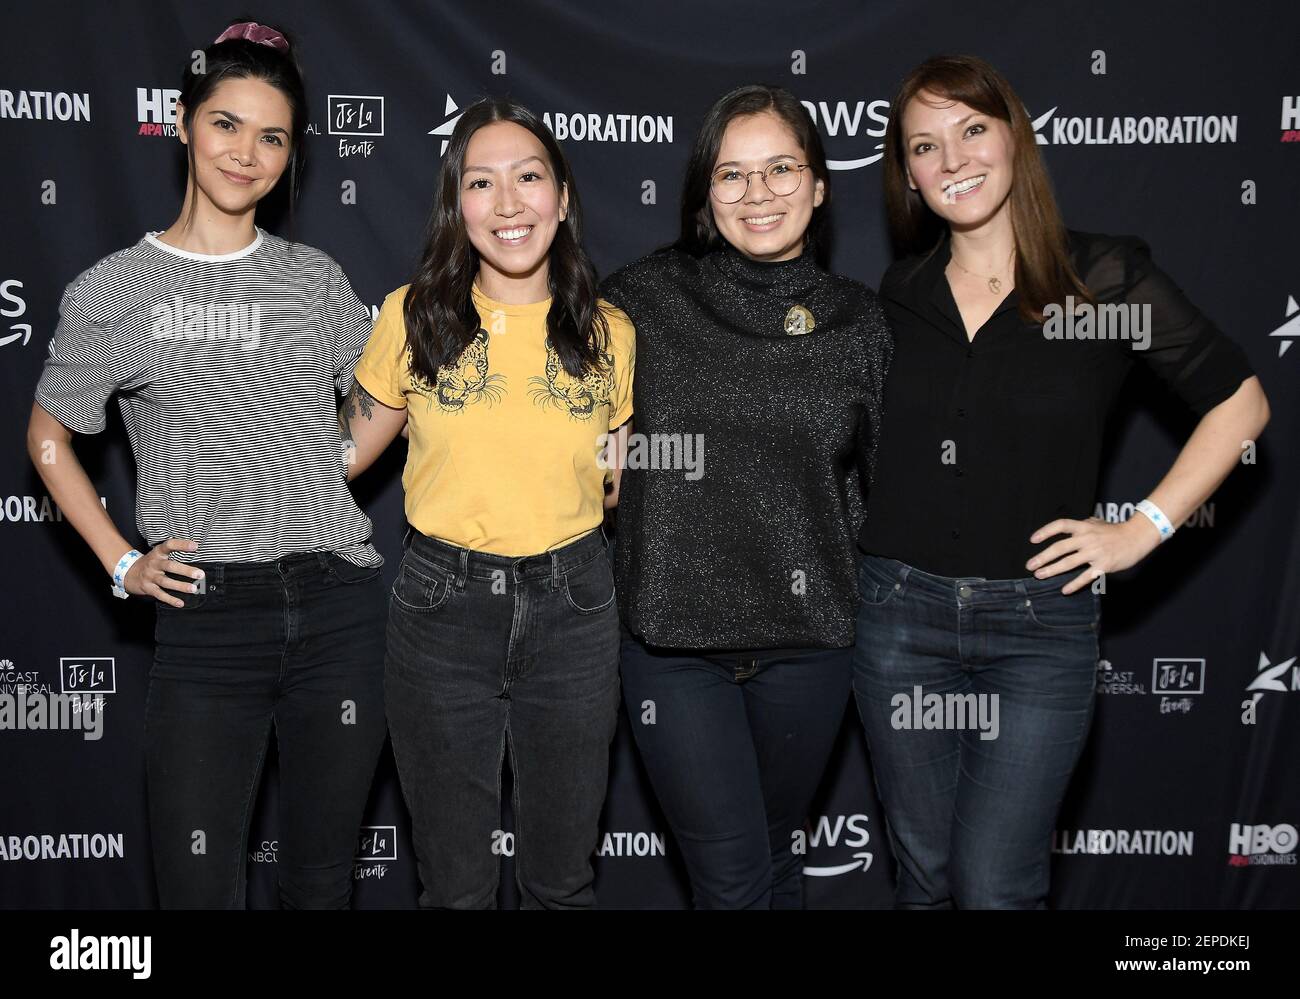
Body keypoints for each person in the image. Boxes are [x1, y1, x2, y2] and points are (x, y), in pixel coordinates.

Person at [855, 54, 1270, 909]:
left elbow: (1241, 403)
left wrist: (1142, 528)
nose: (954, 158)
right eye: (925, 146)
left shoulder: (1101, 278)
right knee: (924, 876)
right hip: (899, 619)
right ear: (909, 175)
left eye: (972, 130)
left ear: (1014, 138)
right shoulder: (900, 292)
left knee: (995, 885)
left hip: (1038, 628)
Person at [26, 20, 388, 908]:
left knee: (321, 885)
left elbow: (385, 398)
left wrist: (315, 467)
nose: (247, 152)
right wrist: (120, 562)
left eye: (273, 136)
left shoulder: (313, 279)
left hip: (341, 609)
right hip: (209, 617)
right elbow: (46, 436)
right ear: (182, 124)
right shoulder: (115, 290)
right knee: (195, 889)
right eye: (226, 124)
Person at [599, 85, 892, 909]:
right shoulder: (643, 298)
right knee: (732, 880)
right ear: (704, 194)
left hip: (811, 642)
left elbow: (886, 488)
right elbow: (566, 417)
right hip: (672, 641)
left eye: (780, 169)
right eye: (732, 175)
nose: (758, 194)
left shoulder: (862, 325)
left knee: (772, 858)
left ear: (821, 185)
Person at [341, 98, 635, 909]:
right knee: (456, 888)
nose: (508, 204)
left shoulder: (611, 332)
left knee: (561, 882)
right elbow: (332, 460)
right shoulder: (413, 317)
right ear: (456, 203)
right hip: (441, 608)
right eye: (481, 182)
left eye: (529, 177)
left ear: (564, 196)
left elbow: (620, 482)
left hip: (576, 607)